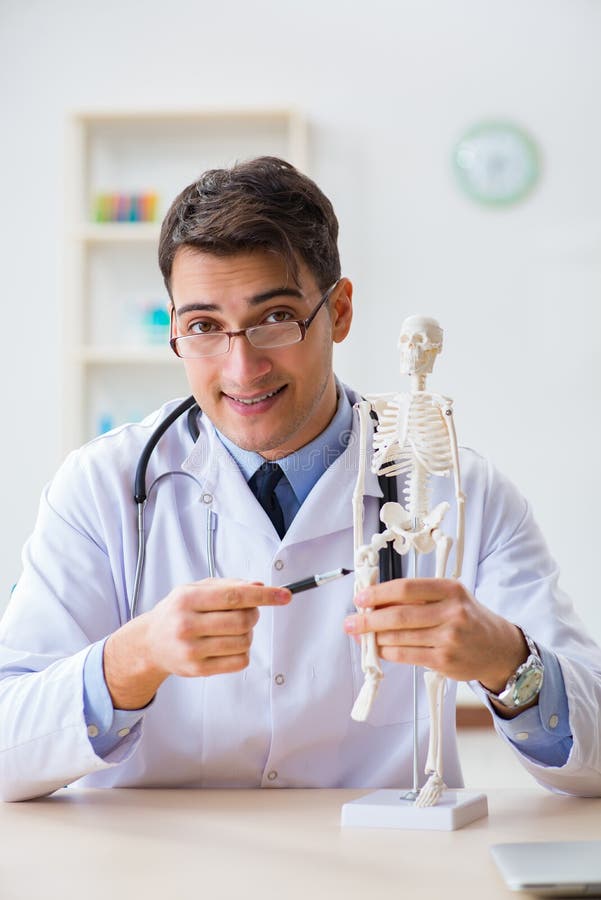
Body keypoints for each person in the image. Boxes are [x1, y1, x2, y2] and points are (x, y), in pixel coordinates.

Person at [1, 156, 600, 803]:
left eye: (275, 317)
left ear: (338, 311)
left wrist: (508, 662)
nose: (242, 366)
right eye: (203, 326)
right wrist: (133, 658)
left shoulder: (459, 489)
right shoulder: (101, 486)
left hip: (383, 870)